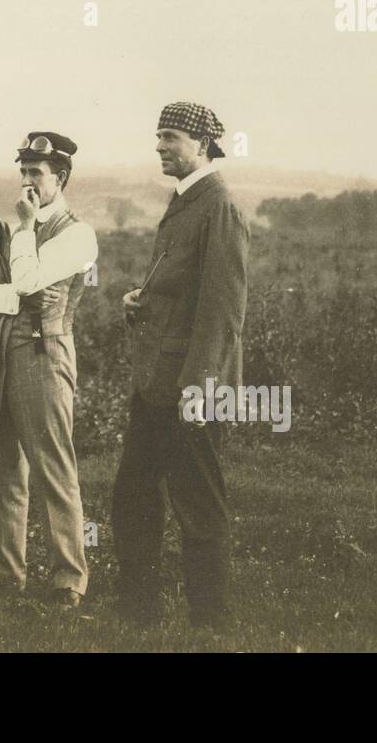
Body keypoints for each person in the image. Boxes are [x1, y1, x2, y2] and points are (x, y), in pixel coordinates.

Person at [112, 102, 249, 629]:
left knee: (198, 502)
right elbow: (182, 289)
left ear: (202, 144)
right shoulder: (188, 201)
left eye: (170, 137)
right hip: (158, 382)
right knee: (134, 493)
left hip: (190, 386)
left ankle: (211, 620)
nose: (160, 147)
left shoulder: (219, 206)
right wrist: (139, 302)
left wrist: (199, 389)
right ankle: (138, 610)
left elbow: (223, 311)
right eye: (158, 136)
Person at [0, 132, 98, 609]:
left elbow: (25, 277)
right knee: (3, 465)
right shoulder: (7, 228)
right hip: (4, 350)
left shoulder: (78, 234)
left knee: (52, 465)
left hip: (46, 354)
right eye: (23, 172)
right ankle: (5, 570)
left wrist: (23, 240)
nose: (27, 182)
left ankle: (69, 579)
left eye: (36, 173)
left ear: (60, 178)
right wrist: (16, 296)